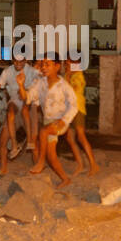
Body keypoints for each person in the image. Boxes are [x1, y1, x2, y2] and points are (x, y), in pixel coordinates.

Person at [28, 56, 79, 187]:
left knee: (43, 132)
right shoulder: (41, 82)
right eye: (42, 64)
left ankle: (40, 161)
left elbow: (74, 105)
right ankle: (65, 179)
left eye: (47, 64)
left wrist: (64, 119)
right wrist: (21, 86)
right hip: (48, 120)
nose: (43, 67)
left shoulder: (64, 86)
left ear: (57, 66)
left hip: (60, 121)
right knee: (52, 156)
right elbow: (29, 97)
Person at [62, 58, 99, 175]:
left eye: (69, 64)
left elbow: (70, 91)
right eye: (66, 63)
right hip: (68, 110)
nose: (67, 66)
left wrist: (67, 76)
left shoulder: (78, 76)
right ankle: (80, 164)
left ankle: (93, 164)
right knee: (70, 138)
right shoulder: (67, 76)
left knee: (81, 136)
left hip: (77, 109)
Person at [0, 55, 34, 168]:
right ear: (12, 60)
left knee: (35, 141)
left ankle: (30, 141)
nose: (18, 64)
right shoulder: (8, 71)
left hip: (28, 102)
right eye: (15, 61)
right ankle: (13, 144)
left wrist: (25, 89)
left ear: (26, 60)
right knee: (10, 114)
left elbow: (35, 88)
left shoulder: (31, 71)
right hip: (15, 101)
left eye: (21, 61)